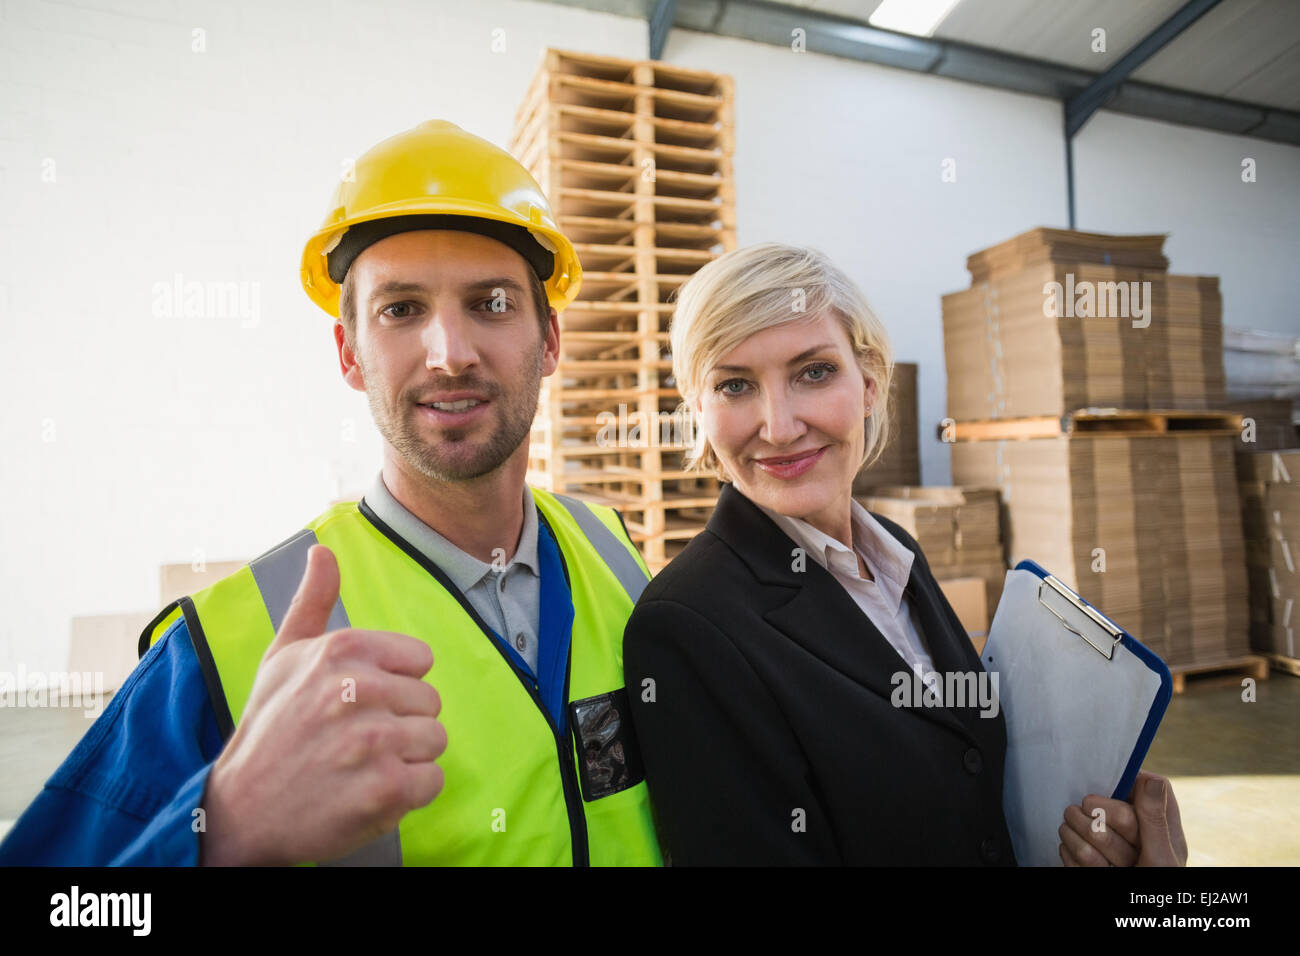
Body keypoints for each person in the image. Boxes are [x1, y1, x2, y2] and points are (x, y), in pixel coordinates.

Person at [0, 121, 661, 867]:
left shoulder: (618, 557)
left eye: (493, 303)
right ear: (350, 353)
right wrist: (223, 831)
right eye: (401, 310)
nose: (450, 354)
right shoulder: (223, 647)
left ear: (551, 343)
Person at [622, 242, 1187, 866]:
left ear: (867, 384)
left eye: (813, 372)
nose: (779, 426)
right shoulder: (686, 627)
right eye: (734, 385)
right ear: (700, 412)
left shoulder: (896, 554)